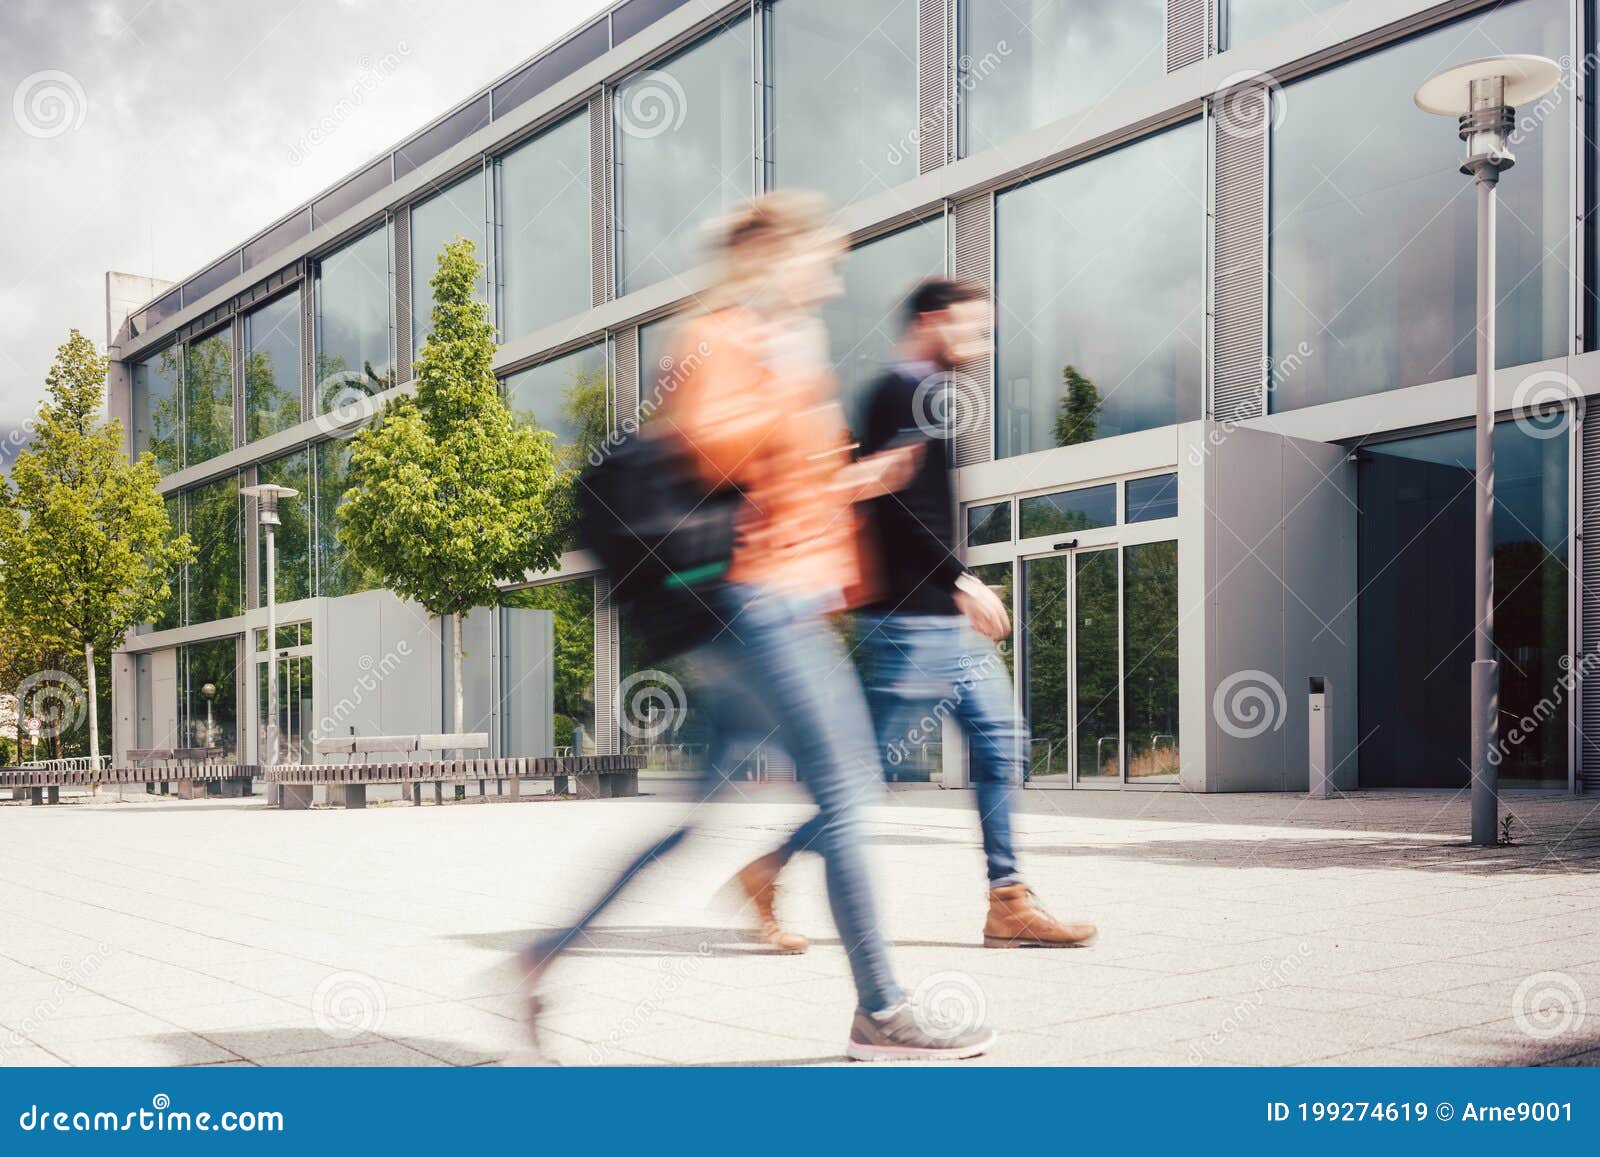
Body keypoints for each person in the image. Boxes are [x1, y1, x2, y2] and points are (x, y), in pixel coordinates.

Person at [525, 197, 995, 1063]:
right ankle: (882, 1013)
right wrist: (791, 393)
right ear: (777, 255)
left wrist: (853, 481)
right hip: (762, 603)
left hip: (774, 602)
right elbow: (713, 449)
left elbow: (783, 485)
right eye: (825, 260)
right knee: (850, 791)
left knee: (697, 819)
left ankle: (544, 955)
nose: (834, 280)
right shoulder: (730, 337)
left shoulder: (766, 340)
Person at [730, 278, 1098, 951]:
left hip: (944, 624)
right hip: (904, 623)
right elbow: (895, 504)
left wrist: (957, 587)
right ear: (931, 321)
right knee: (863, 781)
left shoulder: (930, 393)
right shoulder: (896, 392)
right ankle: (768, 868)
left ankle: (1008, 900)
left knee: (1002, 744)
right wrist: (960, 578)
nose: (982, 344)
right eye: (971, 328)